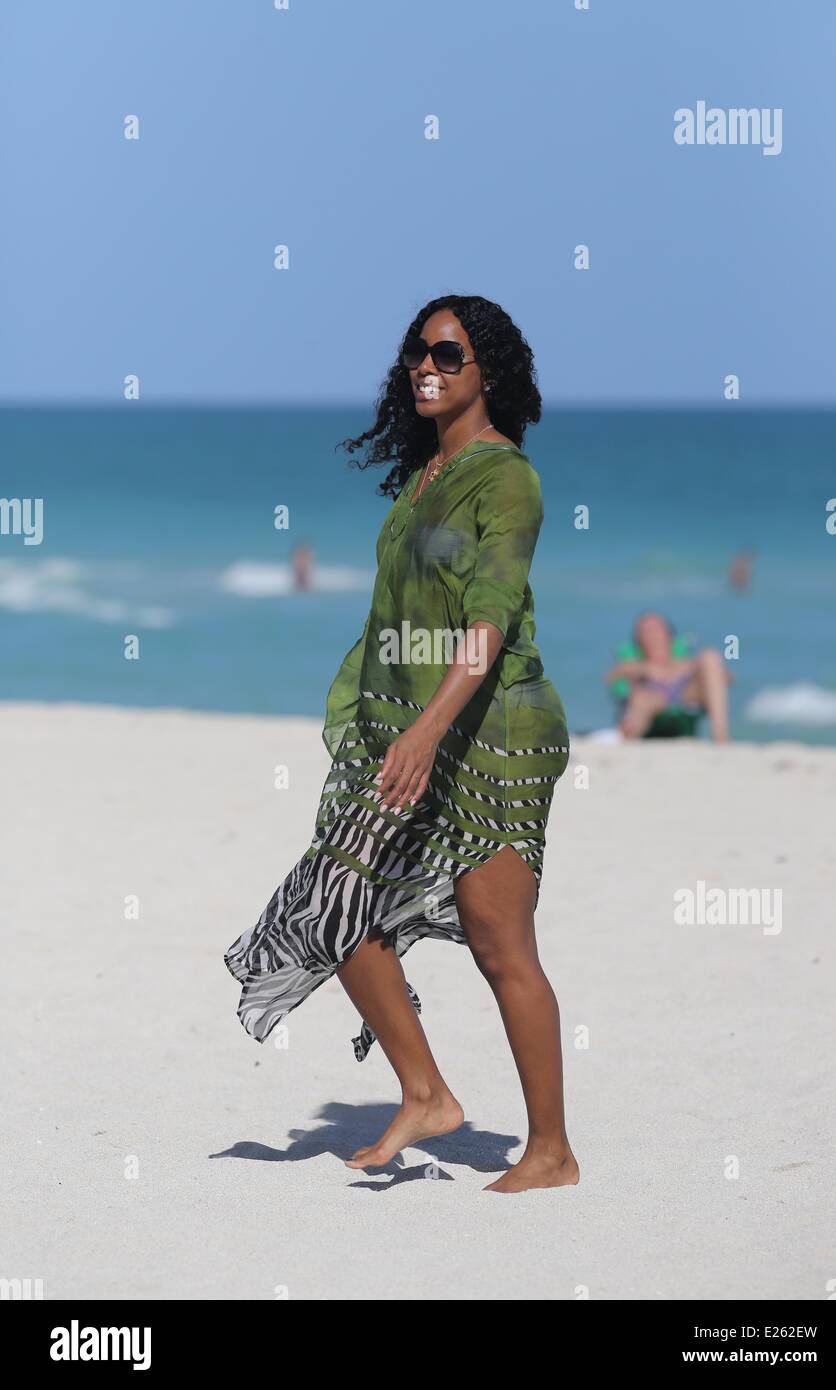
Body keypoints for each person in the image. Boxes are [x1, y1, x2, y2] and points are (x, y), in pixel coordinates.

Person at [225, 295, 579, 1193]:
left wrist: (426, 729)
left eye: (449, 352)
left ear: (487, 369)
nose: (428, 364)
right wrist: (397, 723)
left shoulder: (506, 480)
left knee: (501, 947)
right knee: (338, 898)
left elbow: (490, 620)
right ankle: (424, 1092)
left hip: (493, 737)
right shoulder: (425, 475)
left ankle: (550, 1153)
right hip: (414, 728)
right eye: (418, 351)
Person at [605, 611, 731, 742]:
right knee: (640, 699)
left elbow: (726, 678)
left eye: (655, 629)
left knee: (710, 656)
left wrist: (697, 669)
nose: (652, 634)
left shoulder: (686, 661)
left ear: (668, 633)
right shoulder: (636, 663)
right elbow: (611, 677)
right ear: (638, 639)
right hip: (651, 697)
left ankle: (720, 736)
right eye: (645, 631)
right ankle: (627, 734)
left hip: (686, 694)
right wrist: (643, 669)